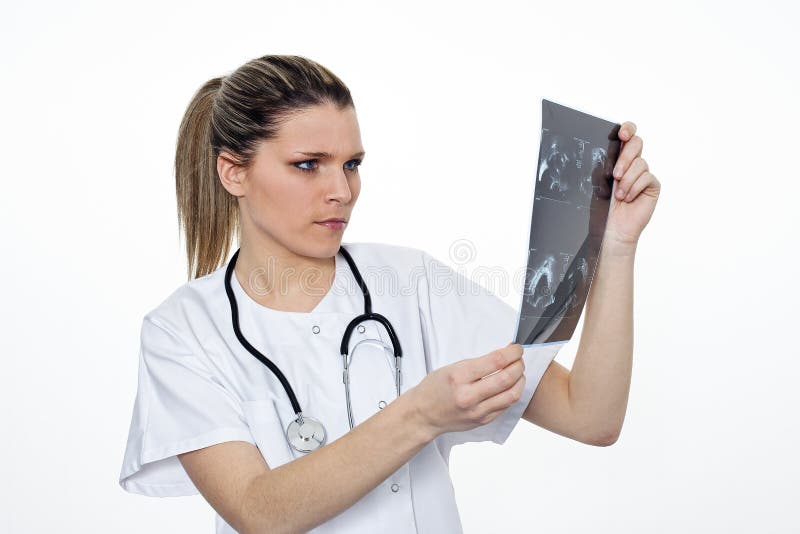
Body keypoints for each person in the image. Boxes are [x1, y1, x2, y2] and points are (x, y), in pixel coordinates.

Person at [118, 54, 660, 533]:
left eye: (351, 165)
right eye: (308, 165)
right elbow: (260, 512)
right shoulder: (182, 331)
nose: (341, 192)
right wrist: (421, 413)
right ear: (233, 172)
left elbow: (590, 416)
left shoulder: (412, 284)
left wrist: (616, 245)